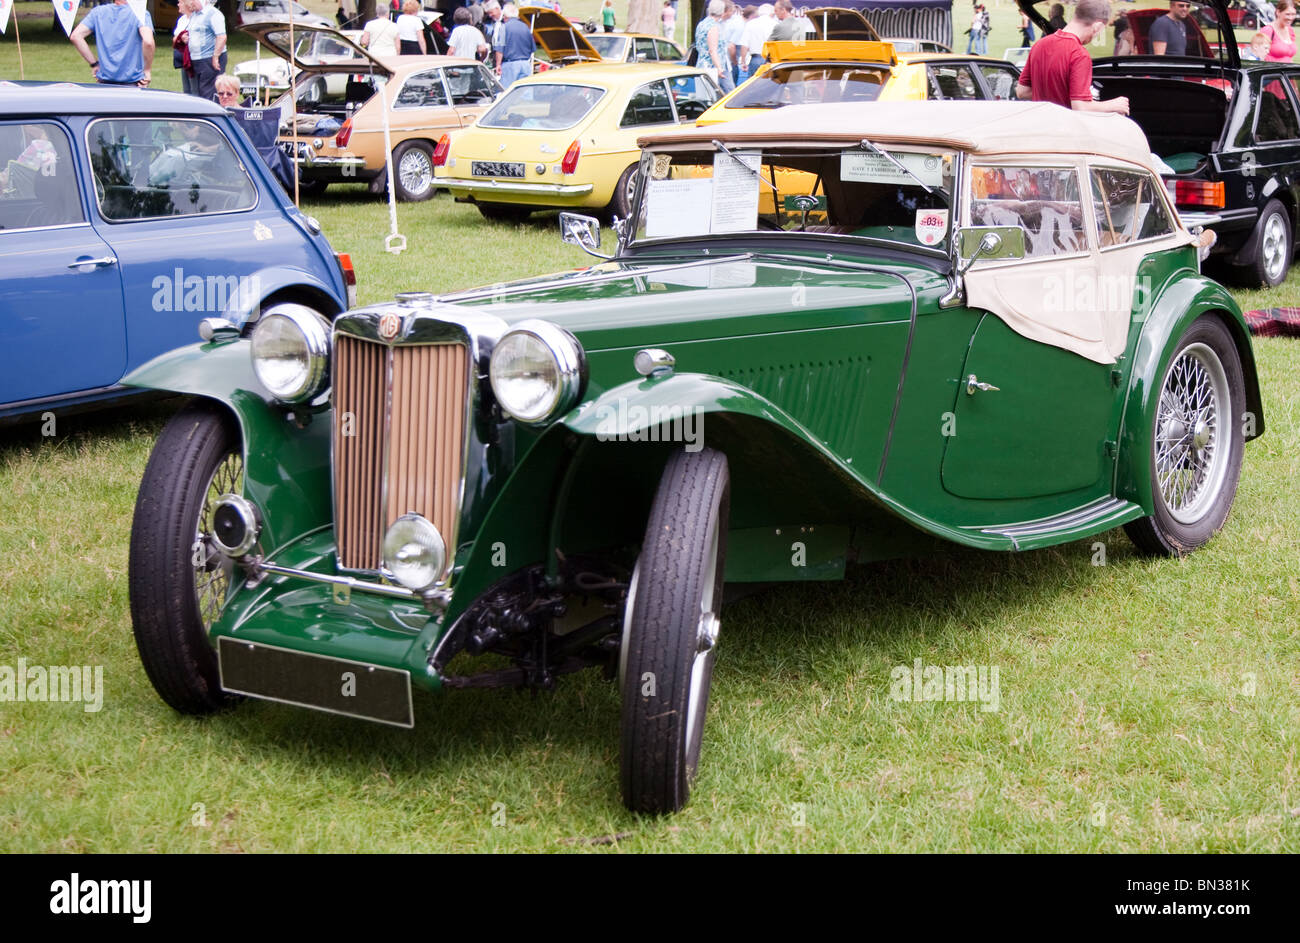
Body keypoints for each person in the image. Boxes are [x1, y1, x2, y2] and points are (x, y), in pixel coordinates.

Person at [1016, 0, 1130, 113]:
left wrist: (1051, 94)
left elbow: (1022, 91)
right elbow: (1080, 107)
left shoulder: (1039, 45)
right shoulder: (1079, 54)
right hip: (1066, 129)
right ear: (1098, 27)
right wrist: (1114, 104)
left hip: (1040, 126)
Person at [69, 0, 154, 87]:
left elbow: (76, 36)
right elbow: (148, 42)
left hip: (104, 83)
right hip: (133, 83)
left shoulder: (97, 12)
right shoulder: (140, 14)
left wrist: (94, 64)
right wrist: (147, 70)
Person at [185, 0, 227, 101]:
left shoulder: (213, 14)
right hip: (197, 59)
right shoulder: (194, 15)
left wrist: (216, 56)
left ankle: (209, 114)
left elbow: (221, 36)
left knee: (208, 92)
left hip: (209, 59)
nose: (188, 4)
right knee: (198, 91)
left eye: (191, 1)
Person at [495, 4, 535, 87]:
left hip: (510, 65)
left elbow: (499, 49)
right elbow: (532, 48)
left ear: (505, 16)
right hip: (525, 64)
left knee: (508, 93)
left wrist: (498, 64)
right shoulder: (525, 27)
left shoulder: (504, 27)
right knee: (524, 92)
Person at [695, 0, 728, 90]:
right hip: (711, 67)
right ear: (721, 12)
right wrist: (719, 67)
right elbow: (712, 50)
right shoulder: (713, 27)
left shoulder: (701, 24)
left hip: (701, 64)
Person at [739, 3, 774, 77]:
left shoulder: (750, 24)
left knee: (753, 85)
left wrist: (743, 62)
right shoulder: (775, 24)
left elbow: (744, 45)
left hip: (755, 59)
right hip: (770, 60)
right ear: (771, 13)